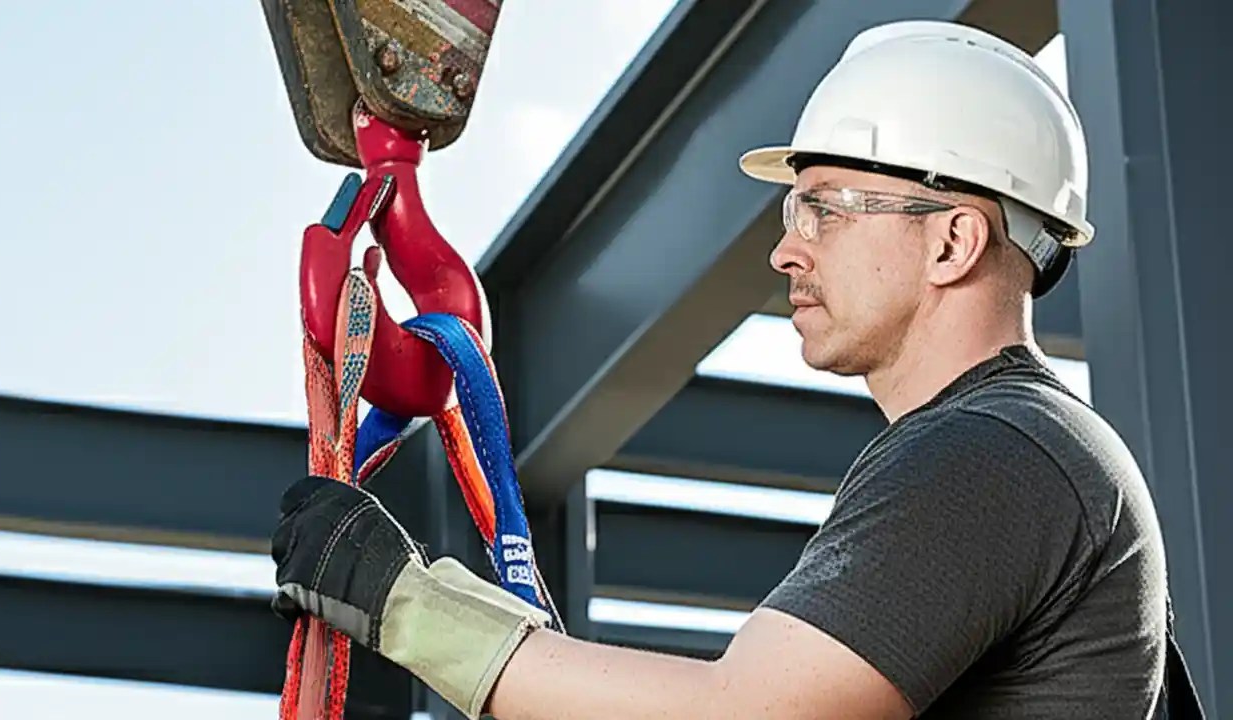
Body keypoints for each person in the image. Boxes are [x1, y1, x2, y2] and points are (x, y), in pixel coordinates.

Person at [270, 20, 1189, 719]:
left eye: (826, 209)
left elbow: (745, 714)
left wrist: (409, 603)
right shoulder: (1037, 463)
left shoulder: (995, 457)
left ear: (954, 240)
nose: (787, 253)